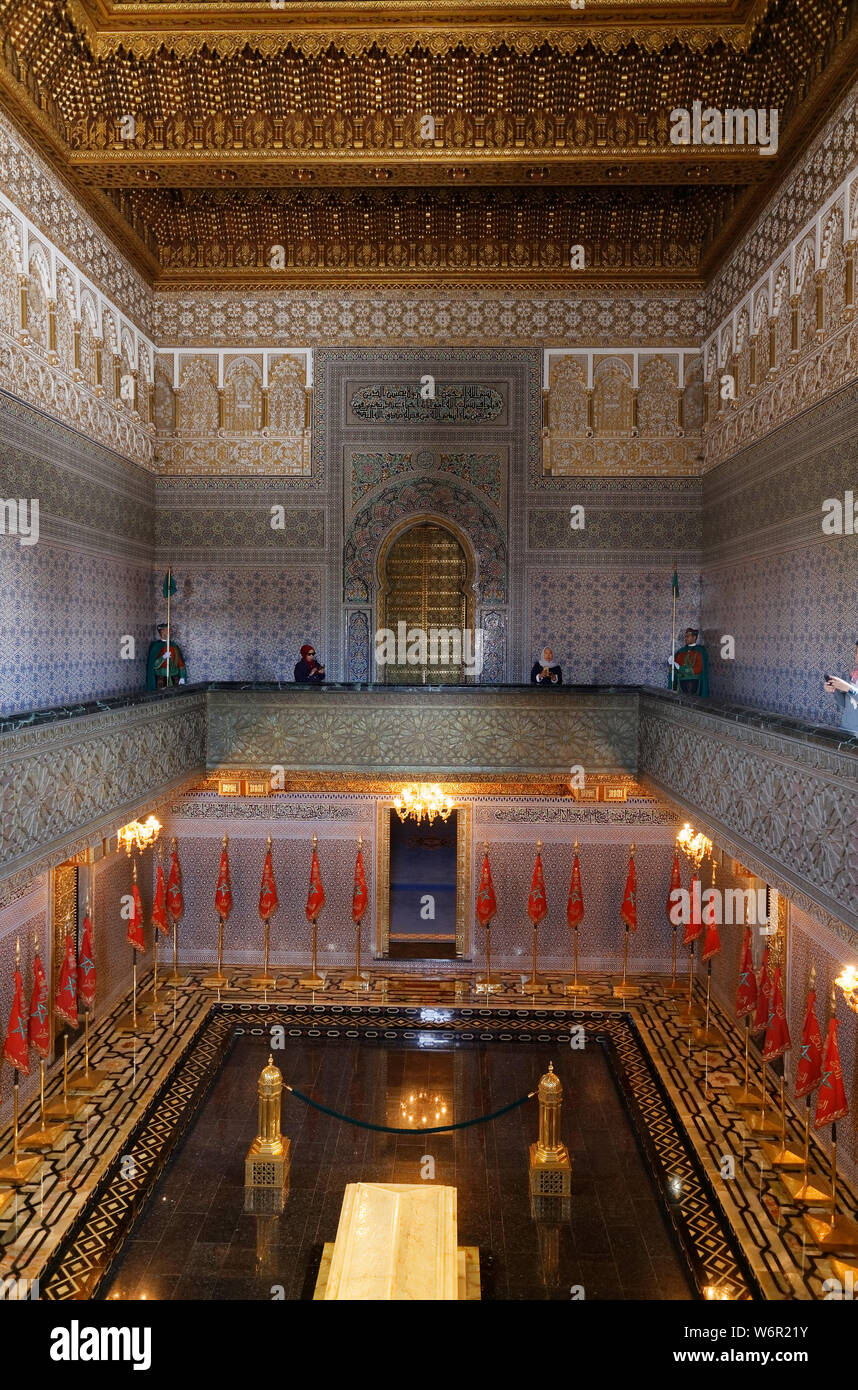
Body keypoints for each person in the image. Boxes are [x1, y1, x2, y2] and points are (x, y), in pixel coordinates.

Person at [824, 642, 858, 733]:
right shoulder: (853, 676)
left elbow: (851, 691)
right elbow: (845, 704)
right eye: (857, 652)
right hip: (845, 728)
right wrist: (835, 690)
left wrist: (849, 688)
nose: (857, 656)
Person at [146, 624, 187, 690]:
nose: (171, 632)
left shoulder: (174, 646)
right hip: (161, 679)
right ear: (162, 631)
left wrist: (182, 677)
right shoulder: (156, 646)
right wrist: (163, 657)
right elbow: (153, 665)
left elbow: (180, 663)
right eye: (168, 630)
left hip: (174, 678)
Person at [672, 627, 709, 696]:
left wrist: (683, 669)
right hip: (681, 681)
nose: (685, 638)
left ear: (694, 637)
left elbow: (699, 668)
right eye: (685, 637)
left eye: (687, 636)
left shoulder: (700, 651)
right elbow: (677, 664)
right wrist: (672, 662)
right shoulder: (681, 651)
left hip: (693, 681)